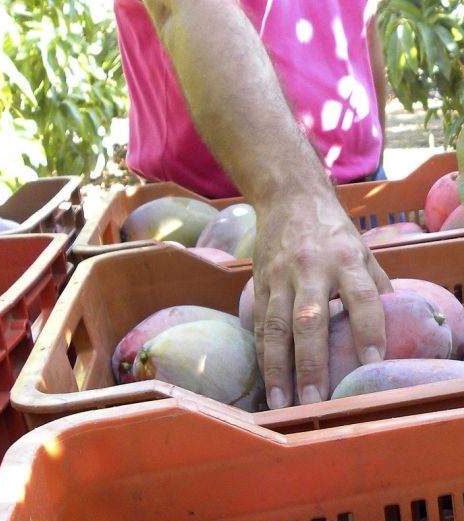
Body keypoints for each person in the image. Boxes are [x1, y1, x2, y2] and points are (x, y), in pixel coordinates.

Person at [114, 0, 393, 408]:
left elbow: (362, 22)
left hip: (355, 194)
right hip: (218, 212)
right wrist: (292, 196)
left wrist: (375, 149)